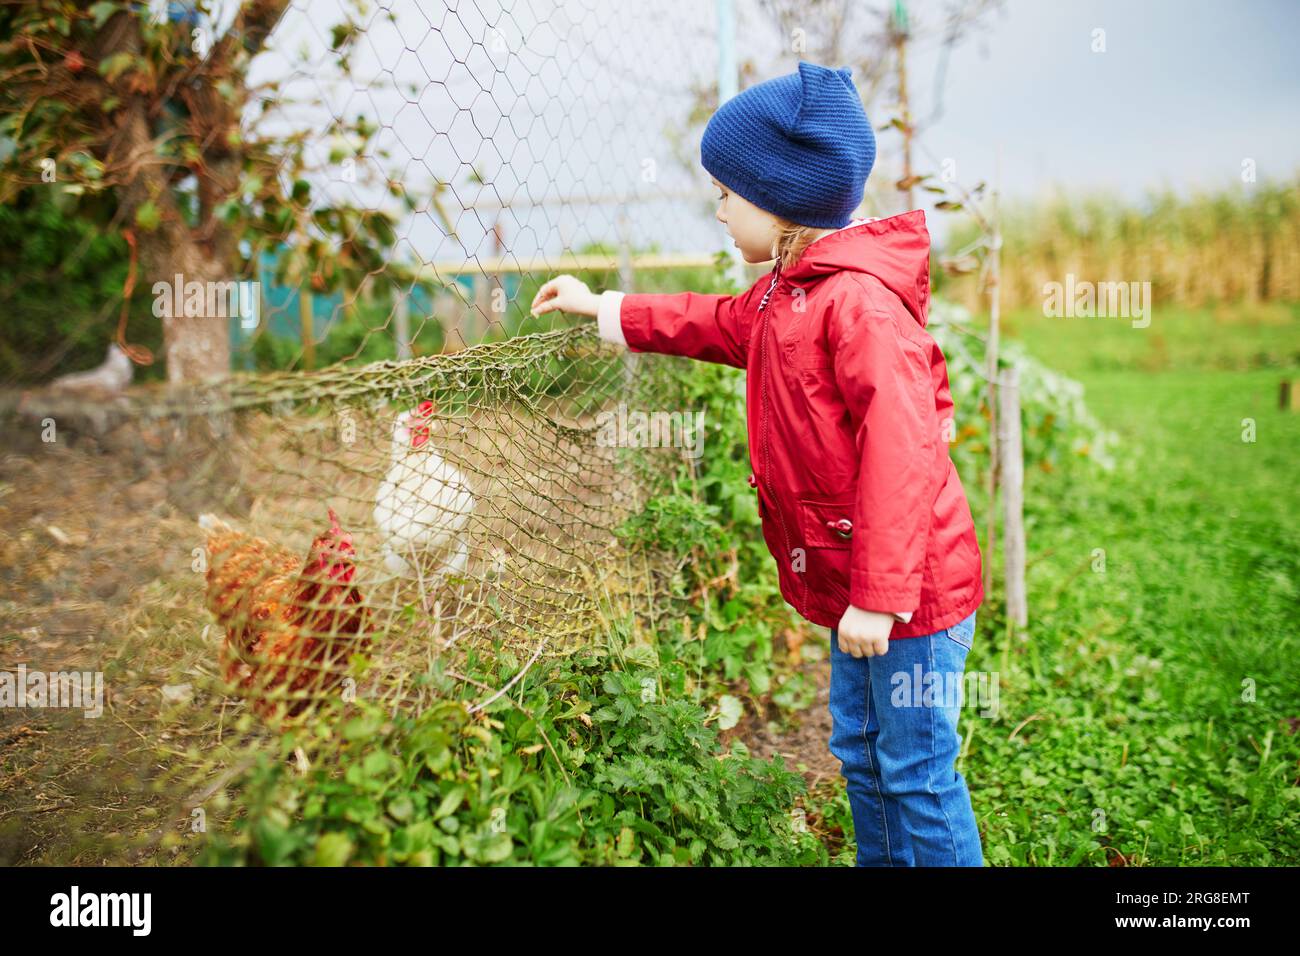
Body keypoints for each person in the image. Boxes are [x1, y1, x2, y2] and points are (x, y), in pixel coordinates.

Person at [530, 61, 984, 867]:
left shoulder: (858, 306)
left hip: (910, 594)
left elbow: (903, 453)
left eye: (725, 195)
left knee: (915, 770)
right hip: (862, 587)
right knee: (862, 754)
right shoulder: (788, 296)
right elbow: (707, 321)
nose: (717, 210)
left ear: (780, 202)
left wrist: (880, 597)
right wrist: (603, 307)